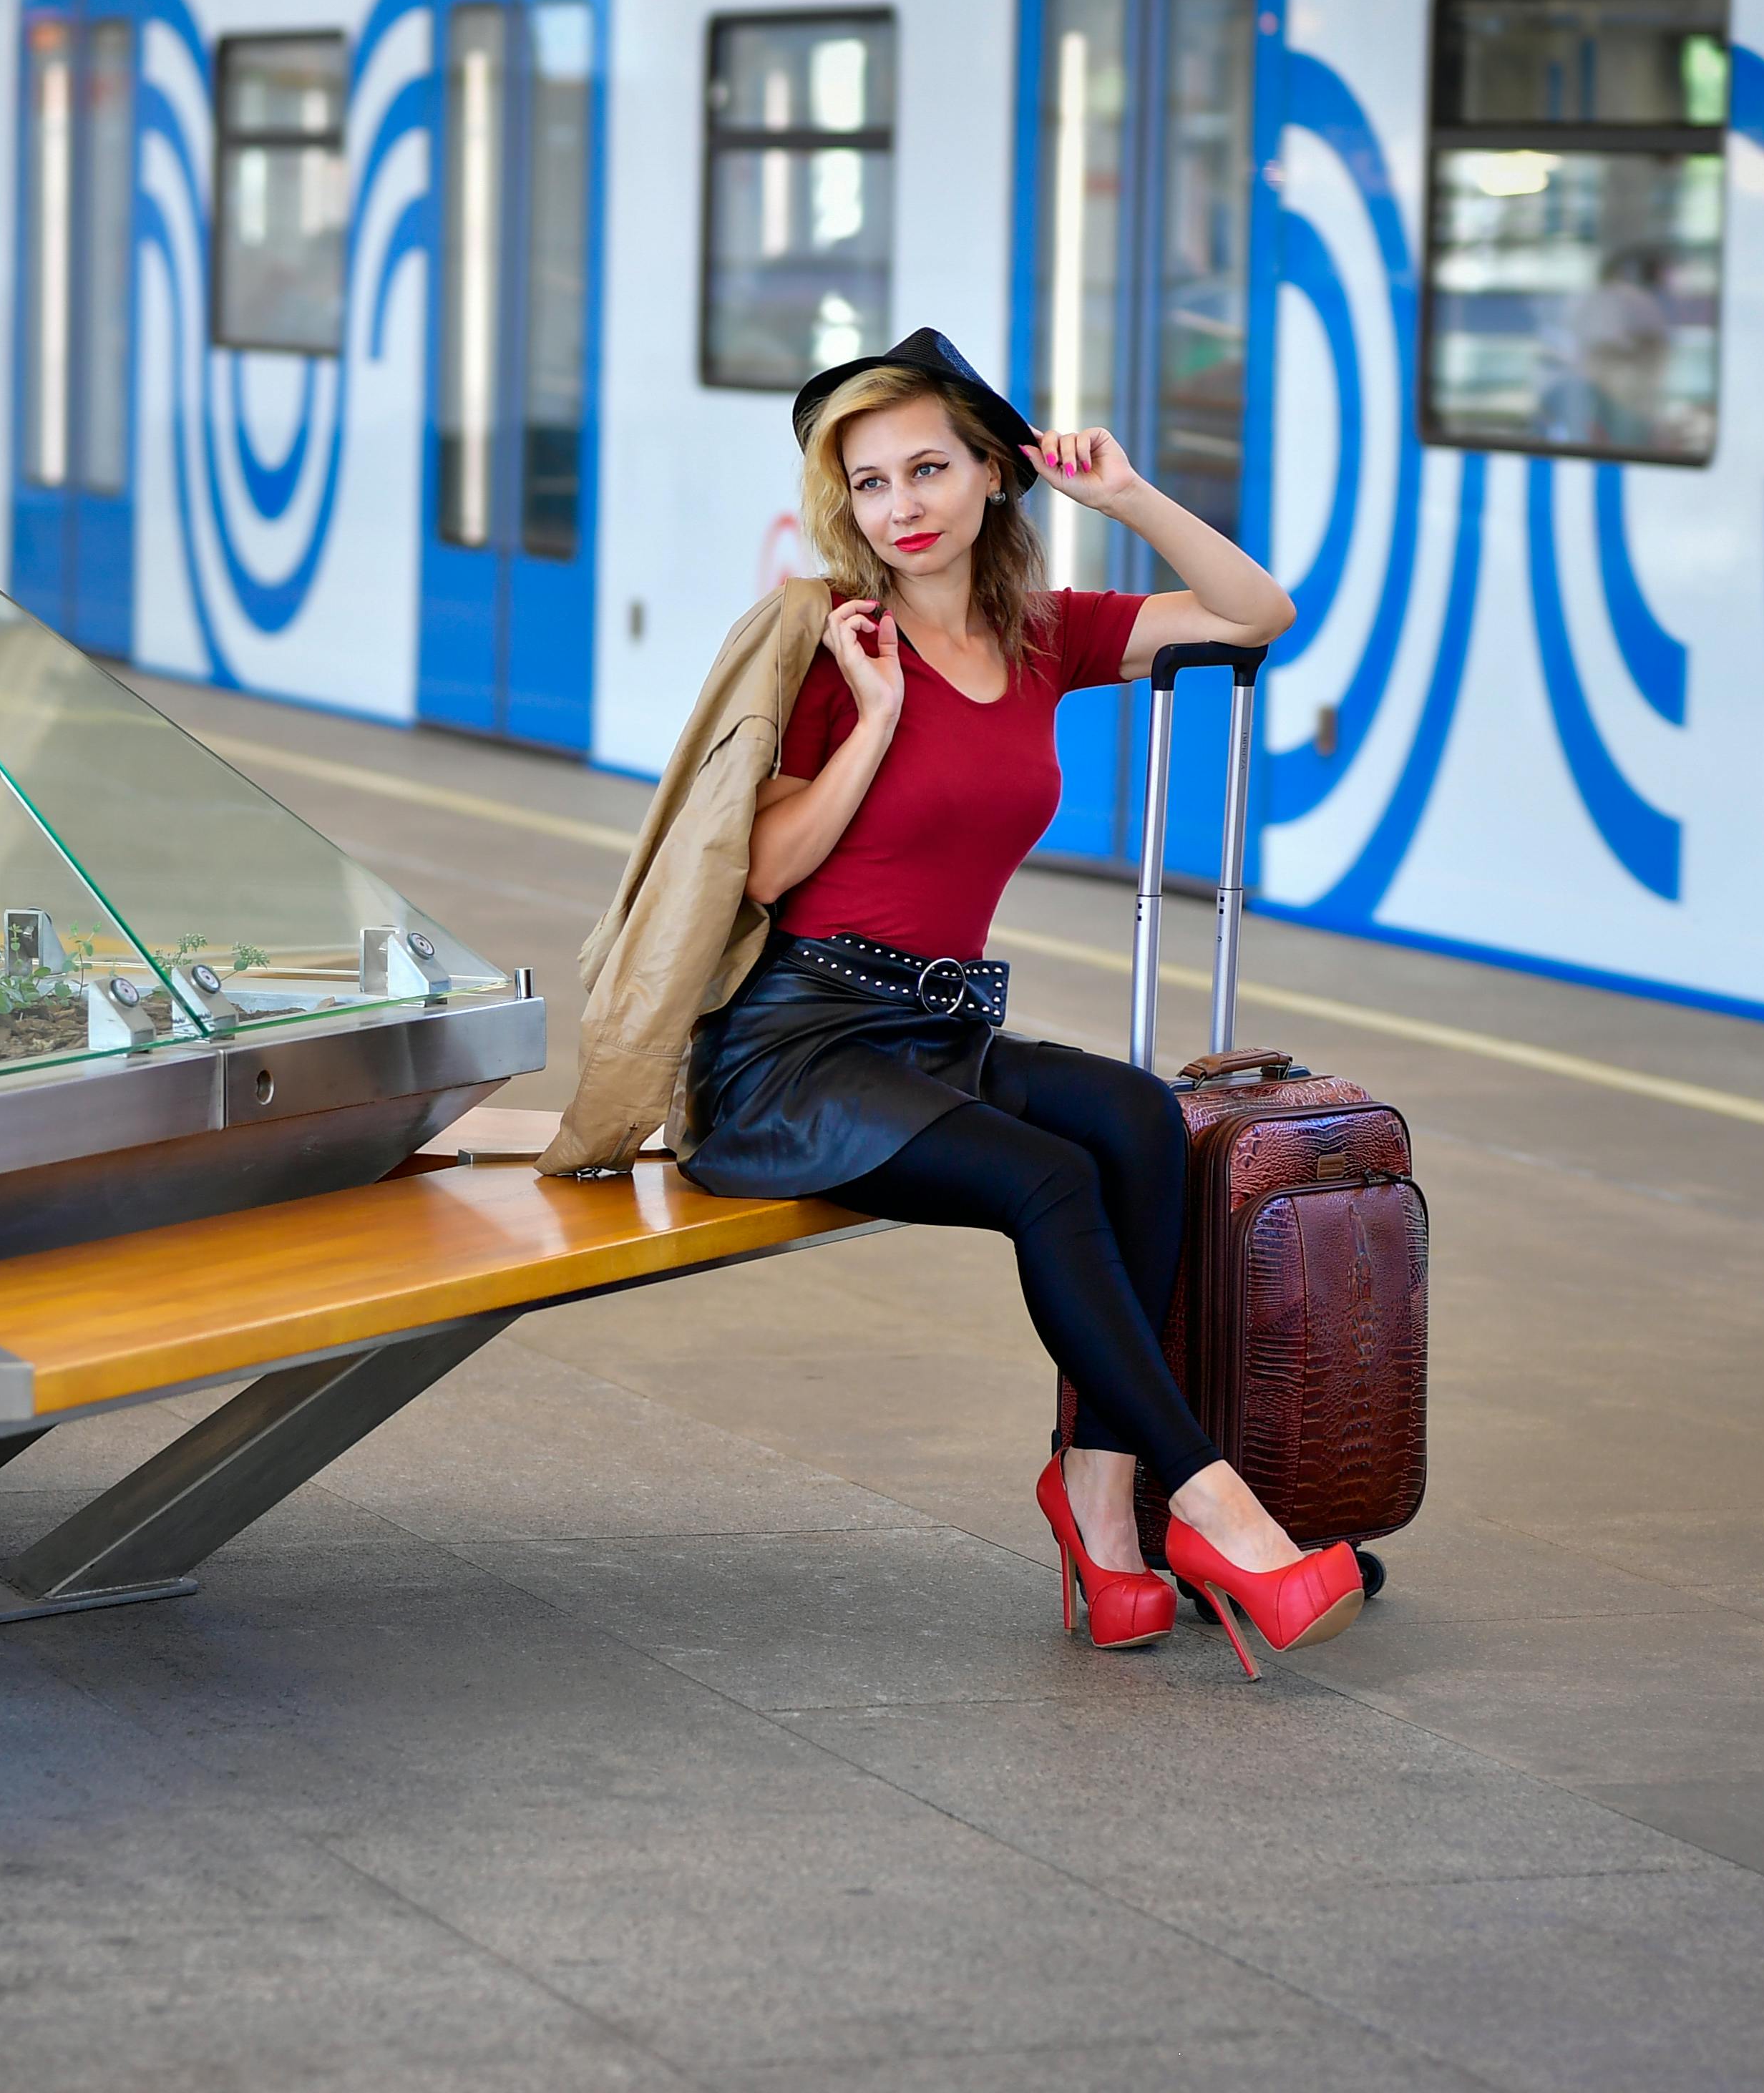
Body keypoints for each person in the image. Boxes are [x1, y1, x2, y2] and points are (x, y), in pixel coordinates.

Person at [540, 327, 1358, 1673]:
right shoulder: (831, 638)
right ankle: (1219, 1514)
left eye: (929, 469)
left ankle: (1100, 1512)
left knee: (1141, 1125)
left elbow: (1254, 613)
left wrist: (1131, 497)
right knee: (1049, 1179)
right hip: (793, 1053)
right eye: (870, 483)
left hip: (937, 1031)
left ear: (994, 475)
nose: (901, 506)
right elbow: (761, 867)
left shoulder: (1041, 638)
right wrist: (867, 719)